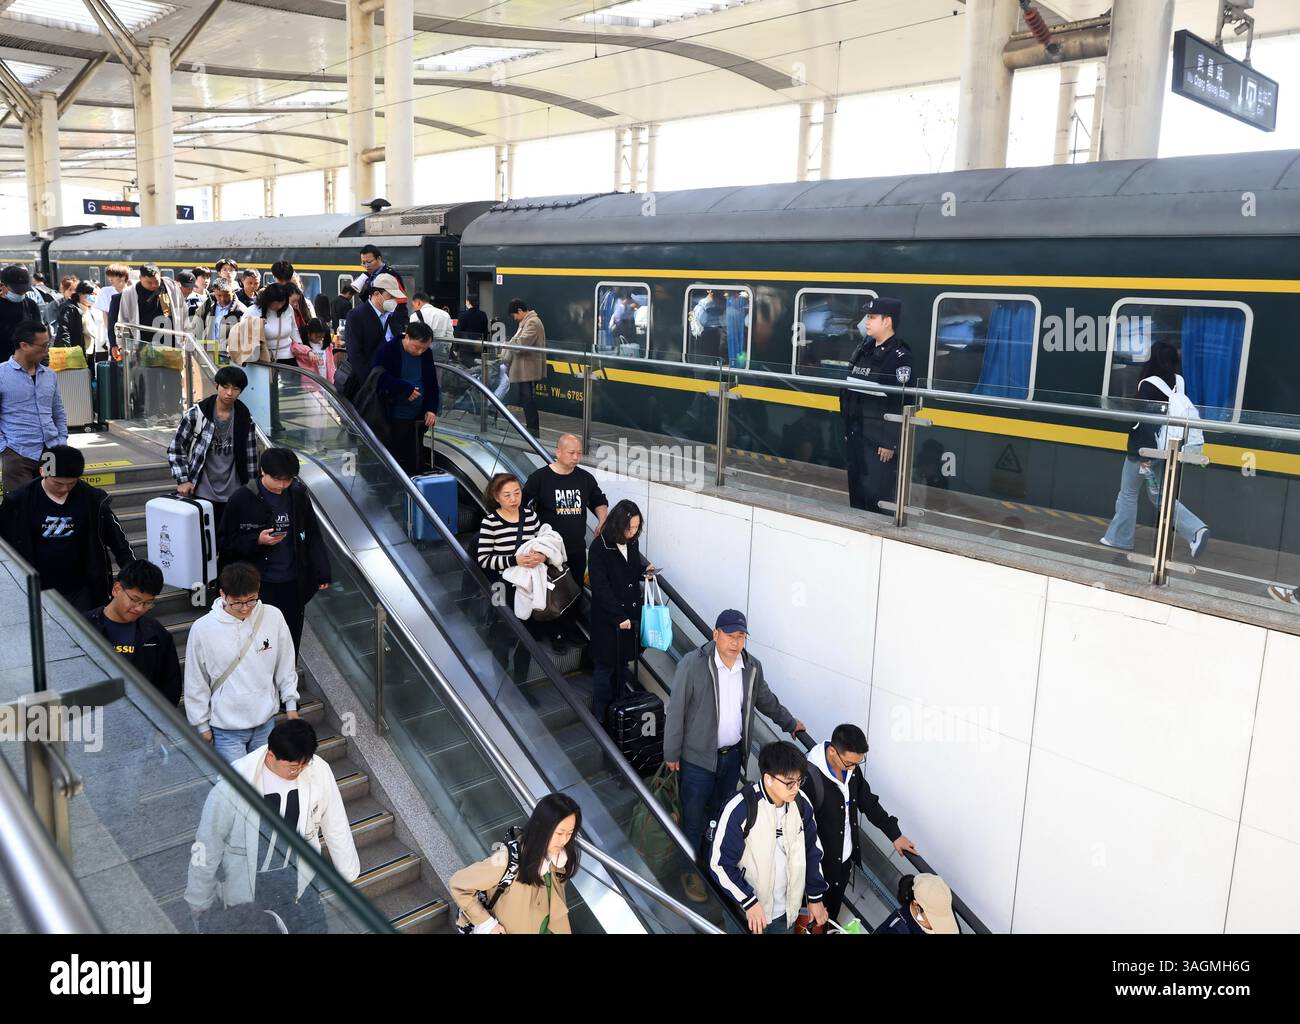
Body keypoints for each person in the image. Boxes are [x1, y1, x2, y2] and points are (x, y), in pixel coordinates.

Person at [664, 608, 806, 895]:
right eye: (730, 635)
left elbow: (765, 700)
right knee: (693, 819)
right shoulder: (694, 664)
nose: (735, 641)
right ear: (716, 634)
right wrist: (671, 752)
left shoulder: (751, 667)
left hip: (731, 759)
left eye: (741, 636)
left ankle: (714, 871)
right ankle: (691, 873)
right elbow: (676, 709)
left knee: (721, 817)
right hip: (697, 759)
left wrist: (789, 723)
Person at [185, 718, 359, 933]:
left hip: (299, 874)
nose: (300, 771)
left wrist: (347, 875)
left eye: (305, 764)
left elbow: (335, 822)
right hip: (252, 880)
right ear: (270, 756)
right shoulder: (234, 783)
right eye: (293, 767)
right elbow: (208, 843)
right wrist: (199, 898)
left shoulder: (318, 770)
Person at [1100, 340, 1209, 559]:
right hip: (1166, 448)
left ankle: (1120, 539)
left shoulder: (1147, 384)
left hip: (1144, 452)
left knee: (1129, 493)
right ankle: (1195, 530)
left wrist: (1144, 456)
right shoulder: (1179, 382)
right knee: (1158, 494)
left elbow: (1145, 421)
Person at [217, 448, 331, 658]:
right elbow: (225, 543)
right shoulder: (242, 498)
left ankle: (286, 680)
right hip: (258, 585)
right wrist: (257, 540)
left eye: (287, 480)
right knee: (258, 640)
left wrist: (322, 571)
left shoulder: (297, 496)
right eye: (277, 479)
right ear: (262, 471)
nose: (282, 485)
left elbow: (312, 534)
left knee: (289, 636)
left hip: (292, 582)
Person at [184, 561, 300, 762]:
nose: (245, 608)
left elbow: (286, 664)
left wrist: (290, 705)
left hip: (265, 721)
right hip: (226, 727)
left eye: (251, 600)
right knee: (237, 789)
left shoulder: (273, 616)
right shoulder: (203, 629)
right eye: (237, 602)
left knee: (262, 784)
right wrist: (201, 724)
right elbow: (196, 680)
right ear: (222, 594)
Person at [709, 740, 829, 934]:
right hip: (746, 913)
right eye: (789, 782)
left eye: (800, 781)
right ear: (768, 779)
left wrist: (815, 897)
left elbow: (812, 851)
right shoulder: (741, 809)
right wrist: (749, 902)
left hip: (786, 914)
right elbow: (720, 864)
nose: (796, 788)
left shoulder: (801, 804)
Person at [804, 723, 917, 922]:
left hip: (844, 863)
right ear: (832, 752)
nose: (853, 768)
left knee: (831, 916)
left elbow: (868, 803)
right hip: (819, 868)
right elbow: (802, 834)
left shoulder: (852, 771)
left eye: (858, 763)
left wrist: (895, 834)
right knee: (809, 919)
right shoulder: (809, 779)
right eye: (849, 763)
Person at [0, 444, 134, 611]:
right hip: (35, 588)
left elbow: (118, 541)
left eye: (71, 484)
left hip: (81, 588)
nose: (64, 489)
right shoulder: (19, 501)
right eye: (57, 483)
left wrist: (133, 575)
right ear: (43, 472)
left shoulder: (92, 499)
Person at [449, 792, 579, 934]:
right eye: (559, 833)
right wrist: (487, 924)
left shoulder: (559, 860)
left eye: (570, 833)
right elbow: (459, 884)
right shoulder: (507, 860)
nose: (564, 840)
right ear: (542, 828)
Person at [524, 434, 609, 648]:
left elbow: (599, 500)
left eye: (579, 453)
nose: (576, 457)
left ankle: (569, 629)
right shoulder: (540, 478)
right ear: (558, 452)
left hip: (576, 548)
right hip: (549, 551)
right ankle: (554, 634)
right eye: (571, 452)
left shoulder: (584, 478)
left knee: (575, 592)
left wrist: (602, 520)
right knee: (552, 593)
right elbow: (523, 507)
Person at [839, 296, 913, 513]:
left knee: (875, 496)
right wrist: (847, 428)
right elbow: (849, 389)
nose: (866, 322)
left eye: (872, 317)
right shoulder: (863, 351)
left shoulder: (900, 358)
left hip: (878, 442)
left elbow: (900, 401)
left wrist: (889, 442)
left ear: (887, 321)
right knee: (856, 494)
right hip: (856, 434)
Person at [168, 365, 258, 534]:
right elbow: (176, 448)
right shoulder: (197, 415)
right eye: (225, 387)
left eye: (235, 388)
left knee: (230, 543)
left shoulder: (245, 418)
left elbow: (251, 457)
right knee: (204, 542)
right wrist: (183, 479)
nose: (229, 393)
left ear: (241, 391)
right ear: (217, 385)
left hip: (235, 492)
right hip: (201, 490)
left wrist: (251, 489)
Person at [587, 499, 653, 723]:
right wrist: (619, 615)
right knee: (605, 670)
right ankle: (600, 719)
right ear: (617, 524)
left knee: (622, 666)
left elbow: (630, 570)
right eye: (629, 527)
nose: (633, 532)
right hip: (609, 621)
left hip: (629, 619)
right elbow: (601, 587)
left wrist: (644, 570)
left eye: (636, 527)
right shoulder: (599, 547)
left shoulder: (631, 543)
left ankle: (618, 717)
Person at [476, 472, 546, 683]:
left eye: (517, 493)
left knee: (528, 638)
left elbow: (540, 543)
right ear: (496, 497)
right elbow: (484, 559)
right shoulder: (491, 522)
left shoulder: (530, 516)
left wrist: (541, 555)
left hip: (529, 585)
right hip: (502, 586)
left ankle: (520, 682)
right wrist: (515, 560)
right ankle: (500, 680)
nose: (514, 499)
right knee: (502, 633)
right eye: (507, 495)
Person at [85, 559, 182, 705]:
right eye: (135, 600)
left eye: (148, 603)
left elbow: (170, 685)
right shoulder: (83, 626)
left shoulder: (156, 633)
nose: (140, 608)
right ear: (116, 589)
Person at [0, 321, 66, 494]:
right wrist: (4, 448)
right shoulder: (1, 375)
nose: (47, 350)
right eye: (43, 346)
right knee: (20, 509)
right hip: (17, 453)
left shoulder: (49, 375)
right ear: (24, 346)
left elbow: (58, 412)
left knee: (53, 502)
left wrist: (62, 440)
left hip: (50, 452)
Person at [372, 319, 440, 475]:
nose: (420, 352)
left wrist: (431, 409)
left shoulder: (426, 354)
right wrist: (403, 389)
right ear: (407, 337)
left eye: (424, 348)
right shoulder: (388, 350)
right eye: (417, 347)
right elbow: (378, 377)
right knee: (393, 455)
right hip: (392, 416)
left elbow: (432, 384)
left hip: (417, 417)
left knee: (415, 455)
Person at [342, 272, 405, 398]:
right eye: (390, 296)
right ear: (376, 294)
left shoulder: (394, 316)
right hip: (367, 384)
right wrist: (370, 384)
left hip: (391, 380)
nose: (394, 301)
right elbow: (355, 354)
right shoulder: (356, 315)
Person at [504, 298, 545, 435]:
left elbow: (523, 342)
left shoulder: (532, 322)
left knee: (529, 402)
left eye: (514, 315)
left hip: (529, 369)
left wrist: (509, 343)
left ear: (520, 311)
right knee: (527, 401)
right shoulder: (527, 321)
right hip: (526, 369)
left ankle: (533, 433)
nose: (514, 318)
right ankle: (531, 432)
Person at [118, 264, 186, 346]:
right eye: (149, 282)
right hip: (144, 342)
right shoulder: (129, 293)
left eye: (157, 281)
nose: (154, 285)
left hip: (170, 340)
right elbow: (123, 320)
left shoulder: (171, 286)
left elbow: (183, 311)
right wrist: (121, 345)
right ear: (140, 278)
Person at [873, 873, 959, 934]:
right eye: (934, 917)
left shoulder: (941, 901)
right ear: (916, 905)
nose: (939, 923)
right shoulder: (898, 930)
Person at [245, 283, 301, 368]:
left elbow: (294, 328)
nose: (279, 306)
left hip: (288, 356)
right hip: (264, 358)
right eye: (275, 303)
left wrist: (300, 346)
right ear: (268, 300)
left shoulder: (288, 309)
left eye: (282, 303)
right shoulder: (252, 311)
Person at [0, 265, 45, 363]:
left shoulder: (30, 305)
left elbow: (40, 334)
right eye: (17, 291)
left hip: (28, 364)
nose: (21, 294)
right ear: (2, 286)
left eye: (23, 291)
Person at [197, 278, 246, 353]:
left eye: (226, 295)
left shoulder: (241, 311)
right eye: (219, 295)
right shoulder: (208, 304)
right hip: (208, 353)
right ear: (214, 292)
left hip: (229, 355)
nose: (222, 299)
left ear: (232, 292)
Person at [92, 263, 129, 350]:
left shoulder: (132, 291)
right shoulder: (105, 291)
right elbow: (105, 315)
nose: (110, 279)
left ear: (123, 277)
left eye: (113, 276)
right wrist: (110, 335)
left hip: (131, 335)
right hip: (114, 335)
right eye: (109, 276)